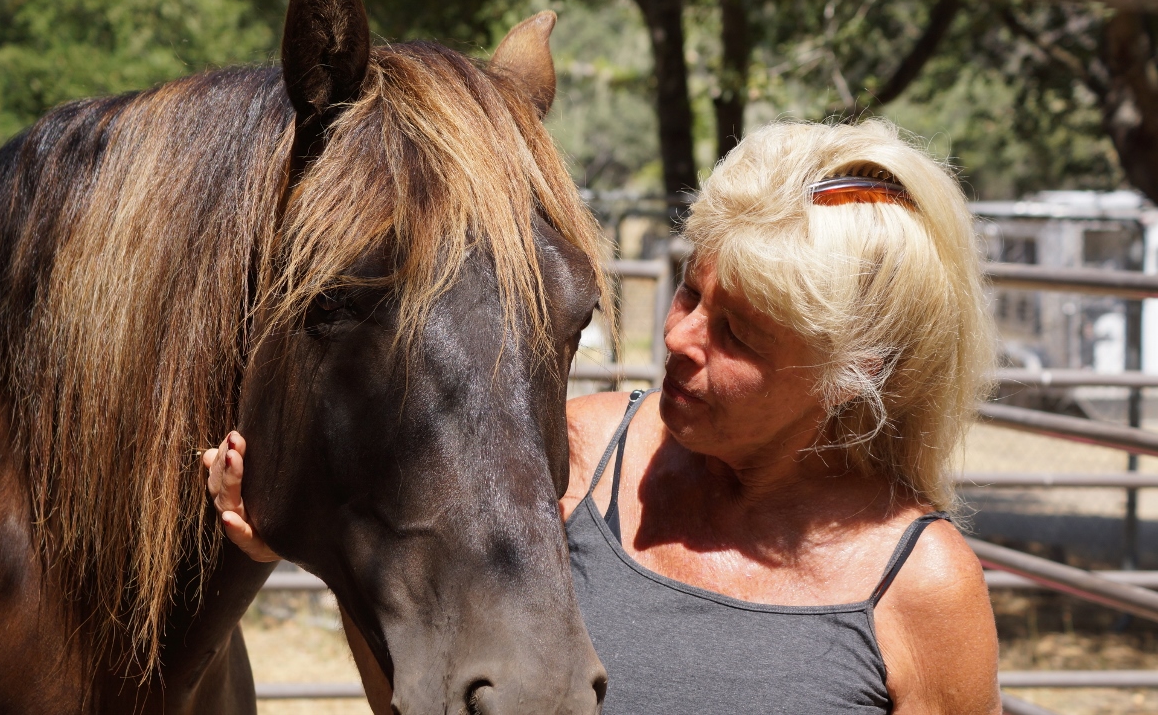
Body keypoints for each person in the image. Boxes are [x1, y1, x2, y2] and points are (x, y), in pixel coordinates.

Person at [205, 120, 1002, 713]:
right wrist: (324, 551)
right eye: (692, 290)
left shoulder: (923, 589)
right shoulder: (579, 461)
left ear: (851, 381)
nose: (680, 337)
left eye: (740, 334)